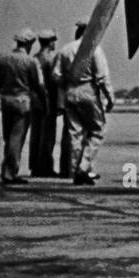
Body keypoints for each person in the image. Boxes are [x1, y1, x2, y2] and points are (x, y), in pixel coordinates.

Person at [53, 20, 114, 185]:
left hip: (70, 91)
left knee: (75, 133)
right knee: (97, 130)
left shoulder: (65, 50)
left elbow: (56, 75)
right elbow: (102, 77)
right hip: (88, 91)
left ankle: (74, 170)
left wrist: (67, 83)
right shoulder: (95, 50)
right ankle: (83, 167)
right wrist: (110, 98)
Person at [0, 29, 44, 184]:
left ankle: (8, 169)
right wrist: (44, 102)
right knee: (16, 138)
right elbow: (38, 85)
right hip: (22, 102)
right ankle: (9, 173)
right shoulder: (30, 61)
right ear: (30, 43)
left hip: (5, 100)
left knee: (8, 137)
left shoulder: (2, 58)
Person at [29, 28, 60, 176]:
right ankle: (46, 167)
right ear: (50, 42)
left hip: (35, 102)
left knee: (35, 134)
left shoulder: (34, 58)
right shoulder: (53, 58)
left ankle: (35, 166)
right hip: (49, 101)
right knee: (48, 136)